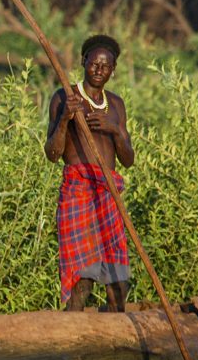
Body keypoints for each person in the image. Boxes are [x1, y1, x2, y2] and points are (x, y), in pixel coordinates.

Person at [44, 34, 134, 312]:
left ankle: (117, 335)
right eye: (94, 64)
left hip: (108, 192)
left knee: (118, 278)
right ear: (84, 62)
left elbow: (128, 160)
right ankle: (73, 334)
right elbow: (52, 154)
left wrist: (114, 129)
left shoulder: (116, 105)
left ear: (113, 70)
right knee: (82, 276)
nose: (99, 70)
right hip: (78, 191)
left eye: (105, 66)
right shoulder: (65, 97)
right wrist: (65, 119)